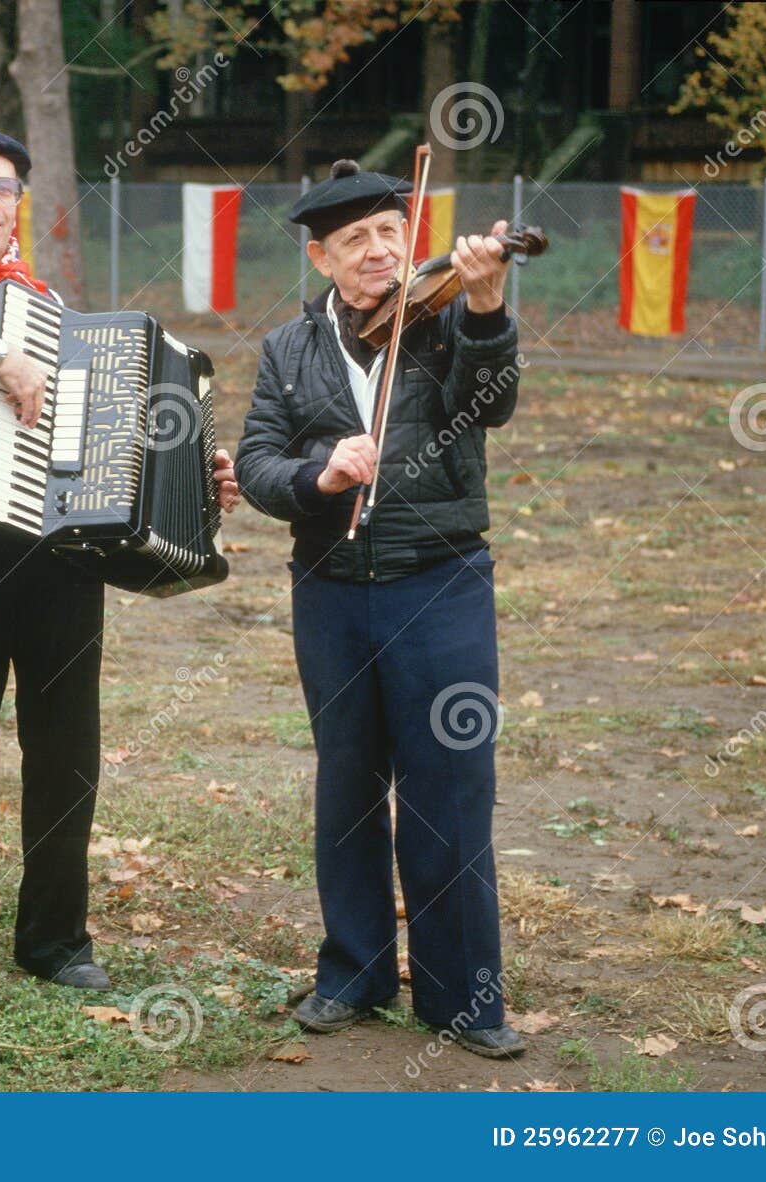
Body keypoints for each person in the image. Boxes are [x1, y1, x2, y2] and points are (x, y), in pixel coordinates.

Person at [0, 130, 240, 991]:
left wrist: (186, 476)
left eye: (7, 189)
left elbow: (112, 439)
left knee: (66, 745)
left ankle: (57, 939)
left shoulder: (53, 311)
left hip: (57, 557)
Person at [234, 159, 527, 1058]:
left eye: (392, 233)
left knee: (450, 789)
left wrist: (484, 309)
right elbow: (255, 466)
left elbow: (496, 402)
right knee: (348, 787)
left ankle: (465, 999)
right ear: (321, 256)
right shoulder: (288, 350)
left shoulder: (443, 326)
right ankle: (353, 976)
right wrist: (317, 476)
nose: (379, 252)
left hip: (439, 583)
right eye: (356, 239)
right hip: (328, 590)